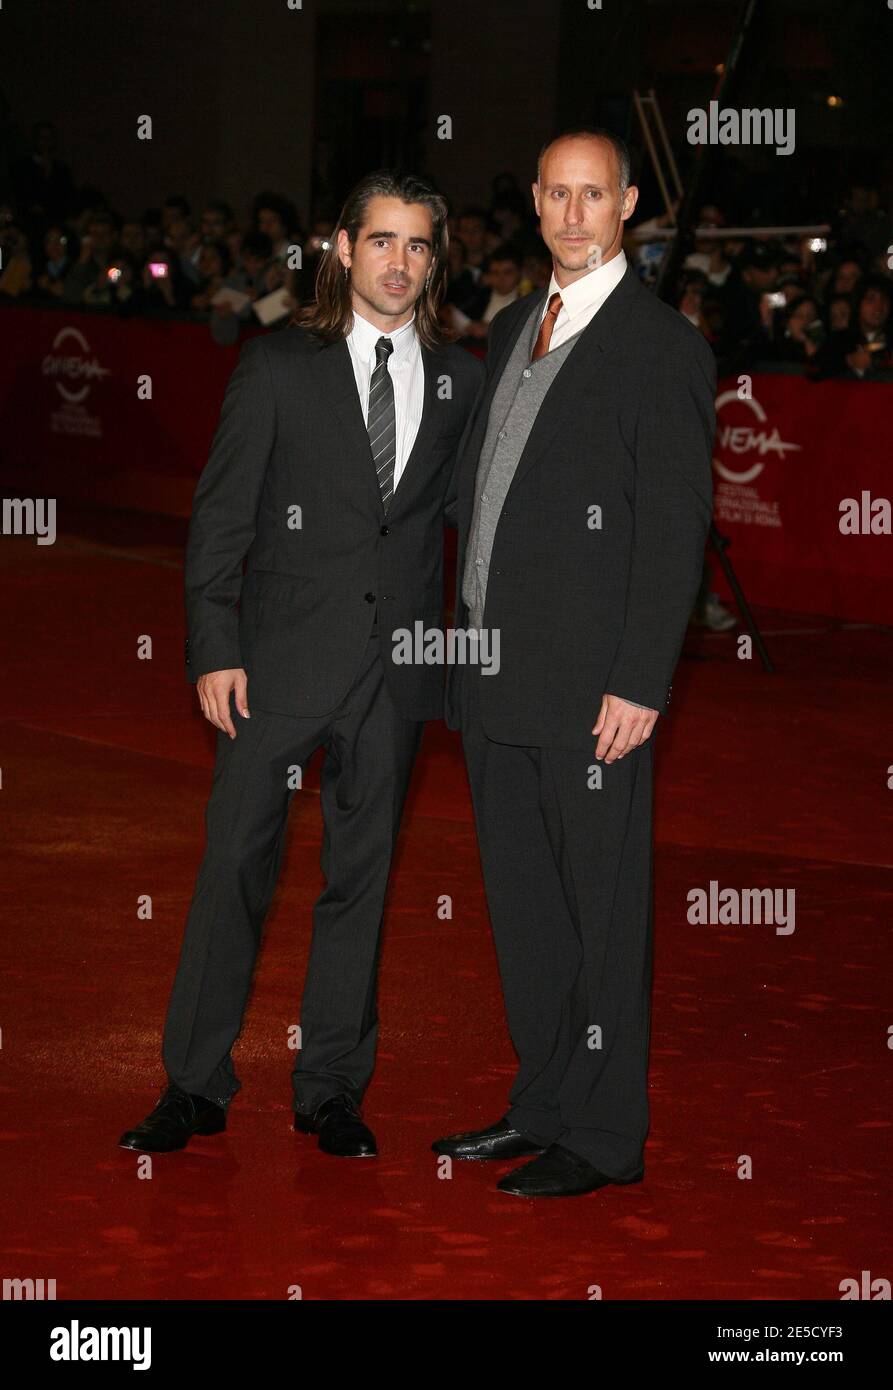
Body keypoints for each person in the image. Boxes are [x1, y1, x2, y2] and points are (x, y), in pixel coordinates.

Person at [119, 170, 484, 1158]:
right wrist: (214, 647)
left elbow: (471, 526)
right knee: (233, 868)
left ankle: (330, 1087)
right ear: (341, 247)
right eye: (381, 241)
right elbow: (220, 518)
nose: (399, 263)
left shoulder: (460, 378)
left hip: (395, 676)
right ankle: (193, 1082)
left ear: (433, 258)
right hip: (272, 669)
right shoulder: (277, 366)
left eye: (416, 245)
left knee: (359, 884)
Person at [436, 128, 715, 1198]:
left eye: (589, 195)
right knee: (524, 907)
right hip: (493, 674)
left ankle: (604, 1136)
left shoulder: (659, 345)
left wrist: (641, 678)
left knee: (600, 916)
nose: (567, 213)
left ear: (627, 203)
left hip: (595, 688)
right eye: (553, 193)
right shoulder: (513, 324)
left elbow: (674, 527)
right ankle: (543, 1101)